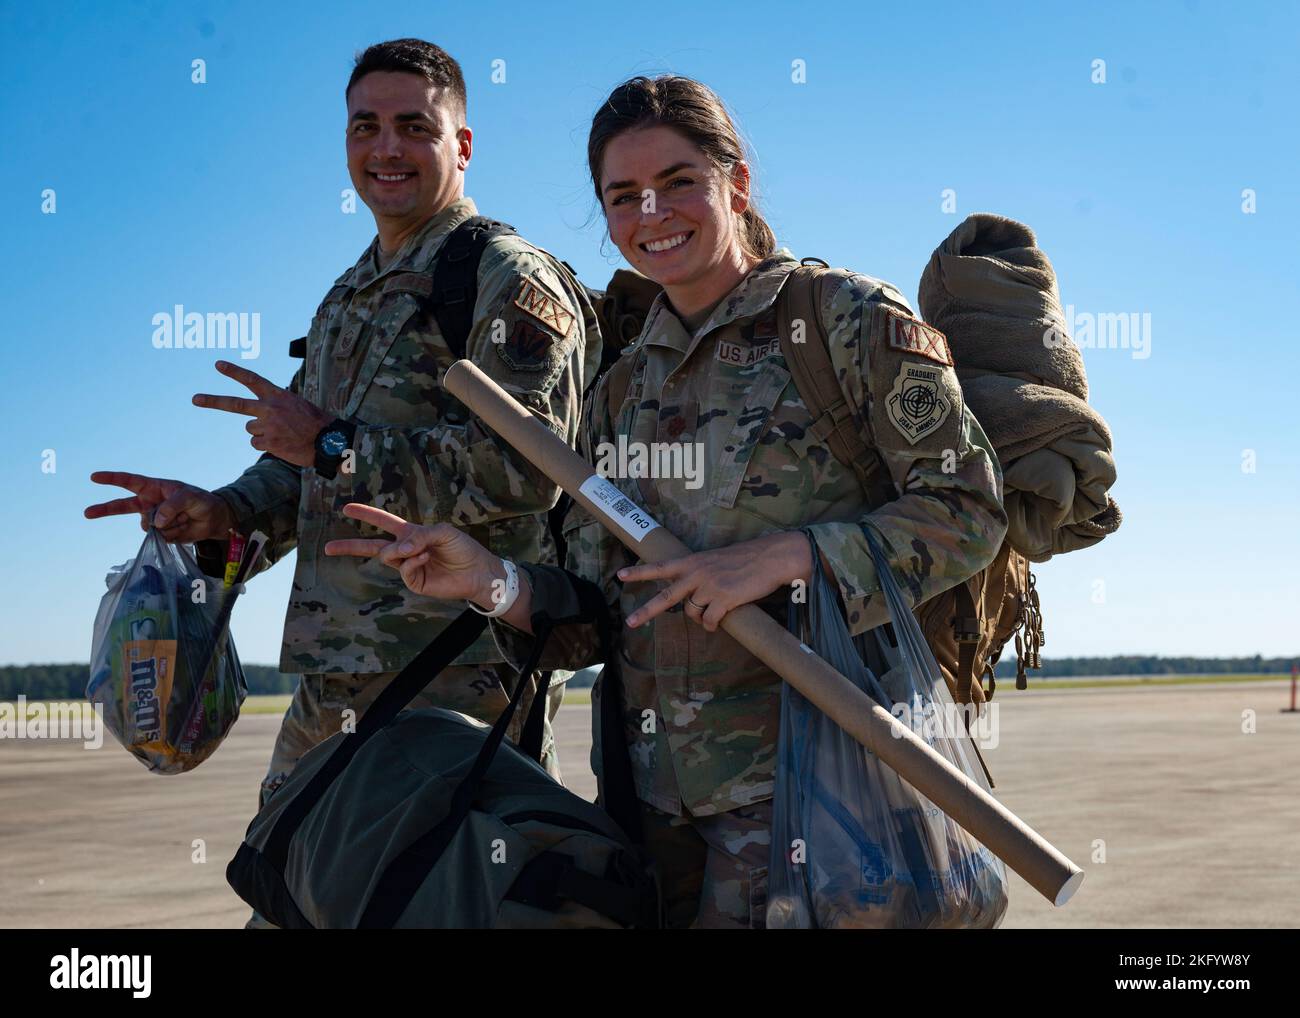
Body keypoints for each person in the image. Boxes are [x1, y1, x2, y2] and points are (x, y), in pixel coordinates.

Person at [325, 75, 1007, 929]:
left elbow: (967, 510)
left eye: (679, 181)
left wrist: (792, 555)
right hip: (650, 813)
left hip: (815, 802)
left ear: (737, 182)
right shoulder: (620, 391)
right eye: (623, 195)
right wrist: (491, 581)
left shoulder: (842, 322)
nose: (652, 212)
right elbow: (595, 614)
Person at [84, 40, 599, 815]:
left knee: (454, 897)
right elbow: (305, 475)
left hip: (458, 677)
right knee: (287, 890)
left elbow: (529, 470)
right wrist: (222, 514)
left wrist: (334, 443)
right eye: (365, 127)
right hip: (334, 679)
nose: (386, 148)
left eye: (414, 126)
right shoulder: (347, 297)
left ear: (461, 146)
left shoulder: (506, 278)